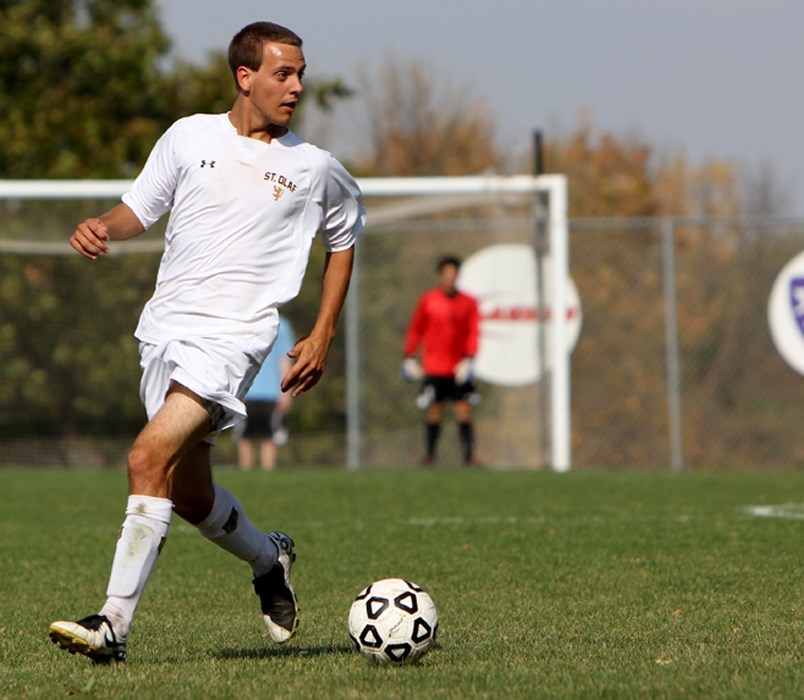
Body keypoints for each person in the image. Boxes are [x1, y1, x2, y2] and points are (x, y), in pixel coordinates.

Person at [49, 21, 364, 664]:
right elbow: (138, 209)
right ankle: (268, 558)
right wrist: (100, 225)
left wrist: (324, 331)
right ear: (244, 77)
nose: (296, 87)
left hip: (234, 340)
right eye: (283, 73)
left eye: (301, 75)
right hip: (165, 330)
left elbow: (344, 238)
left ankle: (112, 626)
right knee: (189, 494)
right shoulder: (189, 135)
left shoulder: (313, 167)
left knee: (146, 457)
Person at [402, 255, 480, 466]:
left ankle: (469, 458)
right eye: (446, 274)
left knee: (463, 411)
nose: (450, 278)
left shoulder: (468, 303)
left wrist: (469, 358)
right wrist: (409, 356)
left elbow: (474, 331)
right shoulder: (428, 300)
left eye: (453, 274)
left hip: (459, 367)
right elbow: (416, 329)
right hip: (434, 367)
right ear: (440, 275)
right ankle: (430, 457)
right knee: (434, 411)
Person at [236, 316, 296, 471]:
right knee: (245, 436)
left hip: (271, 392)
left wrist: (286, 391)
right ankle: (245, 474)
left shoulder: (282, 326)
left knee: (269, 436)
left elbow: (284, 360)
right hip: (247, 391)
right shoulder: (246, 321)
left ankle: (268, 473)